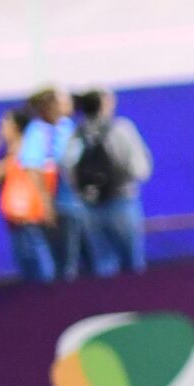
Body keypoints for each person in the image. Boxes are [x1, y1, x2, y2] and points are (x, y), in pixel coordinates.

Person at [70, 88, 152, 275]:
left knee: (103, 263)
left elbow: (68, 166)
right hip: (122, 199)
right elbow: (138, 166)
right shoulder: (121, 129)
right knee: (132, 261)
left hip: (90, 204)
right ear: (104, 104)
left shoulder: (77, 134)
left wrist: (83, 191)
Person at [21, 87, 88, 281]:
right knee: (65, 261)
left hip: (78, 202)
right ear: (50, 107)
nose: (68, 104)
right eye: (62, 101)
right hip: (59, 205)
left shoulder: (67, 126)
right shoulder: (37, 131)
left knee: (84, 258)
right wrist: (46, 204)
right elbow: (33, 168)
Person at [0, 105, 55, 284]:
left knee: (37, 253)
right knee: (23, 257)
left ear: (16, 126)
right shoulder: (6, 151)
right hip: (13, 215)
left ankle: (48, 291)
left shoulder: (29, 149)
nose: (2, 127)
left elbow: (41, 176)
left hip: (31, 213)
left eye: (5, 123)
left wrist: (45, 205)